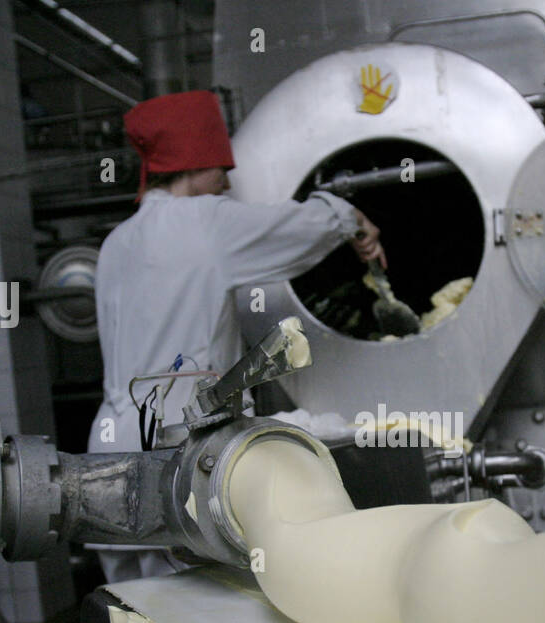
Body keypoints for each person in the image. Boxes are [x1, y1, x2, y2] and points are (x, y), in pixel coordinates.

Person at [87, 90, 385, 583]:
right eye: (220, 167)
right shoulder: (205, 226)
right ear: (195, 162)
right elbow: (299, 229)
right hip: (174, 458)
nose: (227, 182)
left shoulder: (117, 242)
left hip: (109, 460)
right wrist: (351, 218)